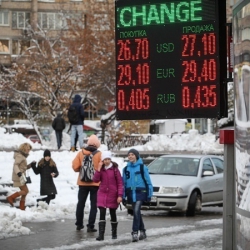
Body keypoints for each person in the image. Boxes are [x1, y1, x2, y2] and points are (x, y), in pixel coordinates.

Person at [122, 148, 153, 242]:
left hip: (141, 193)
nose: (130, 156)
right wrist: (123, 196)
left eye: (132, 154)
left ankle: (134, 232)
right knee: (137, 213)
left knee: (136, 211)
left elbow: (148, 182)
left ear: (136, 156)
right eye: (129, 155)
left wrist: (149, 194)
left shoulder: (142, 167)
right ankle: (142, 231)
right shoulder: (126, 169)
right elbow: (123, 183)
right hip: (131, 194)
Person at [72, 134, 101, 232]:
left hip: (82, 183)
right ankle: (90, 225)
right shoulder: (99, 154)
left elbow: (75, 167)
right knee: (94, 205)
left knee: (81, 203)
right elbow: (103, 169)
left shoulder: (81, 153)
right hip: (95, 184)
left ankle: (79, 224)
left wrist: (82, 169)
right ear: (97, 144)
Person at [92, 151, 123, 241]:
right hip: (102, 194)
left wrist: (119, 195)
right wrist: (98, 169)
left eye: (108, 159)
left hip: (113, 194)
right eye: (105, 159)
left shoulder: (115, 169)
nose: (107, 161)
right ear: (102, 160)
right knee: (102, 213)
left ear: (110, 159)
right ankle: (101, 235)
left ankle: (114, 233)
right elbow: (95, 180)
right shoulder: (101, 169)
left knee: (113, 213)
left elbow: (120, 183)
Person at [6, 143, 36, 210]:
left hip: (21, 176)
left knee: (24, 193)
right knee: (25, 191)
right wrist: (18, 173)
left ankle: (22, 207)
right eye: (27, 149)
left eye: (29, 150)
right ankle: (11, 197)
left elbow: (23, 167)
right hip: (19, 176)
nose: (29, 151)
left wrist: (31, 165)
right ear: (24, 148)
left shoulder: (22, 156)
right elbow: (15, 165)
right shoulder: (20, 156)